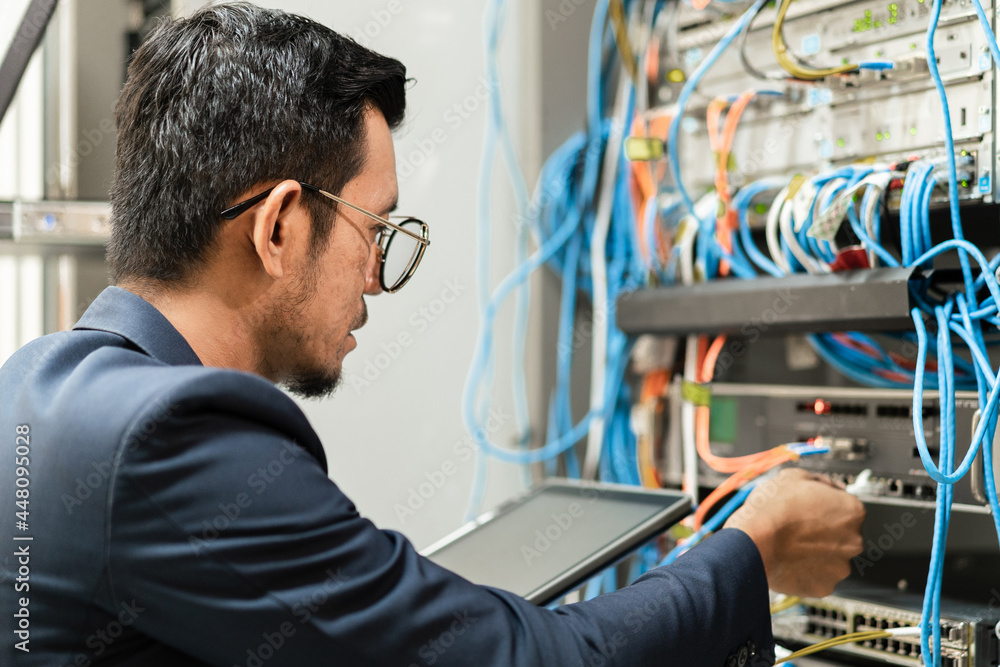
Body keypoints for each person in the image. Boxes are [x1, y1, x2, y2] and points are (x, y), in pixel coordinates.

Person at [0, 4, 865, 665]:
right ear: (277, 228)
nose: (379, 276)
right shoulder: (171, 439)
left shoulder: (37, 382)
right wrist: (752, 550)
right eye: (375, 230)